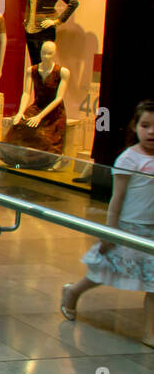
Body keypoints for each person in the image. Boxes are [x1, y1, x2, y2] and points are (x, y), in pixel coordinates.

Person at [62, 100, 154, 346]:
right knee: (104, 271)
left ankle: (150, 333)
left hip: (152, 232)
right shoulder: (128, 159)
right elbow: (118, 198)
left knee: (153, 284)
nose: (151, 132)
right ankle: (73, 291)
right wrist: (110, 231)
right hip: (128, 229)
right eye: (145, 125)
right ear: (135, 127)